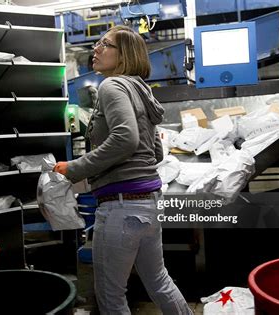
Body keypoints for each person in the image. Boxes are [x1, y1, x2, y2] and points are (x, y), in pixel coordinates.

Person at [54, 25, 193, 315]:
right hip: (148, 203)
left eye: (105, 44)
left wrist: (75, 168)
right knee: (159, 280)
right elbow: (155, 152)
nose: (96, 49)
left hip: (121, 207)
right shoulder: (141, 91)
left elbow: (126, 138)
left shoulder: (112, 86)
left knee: (110, 296)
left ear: (124, 55)